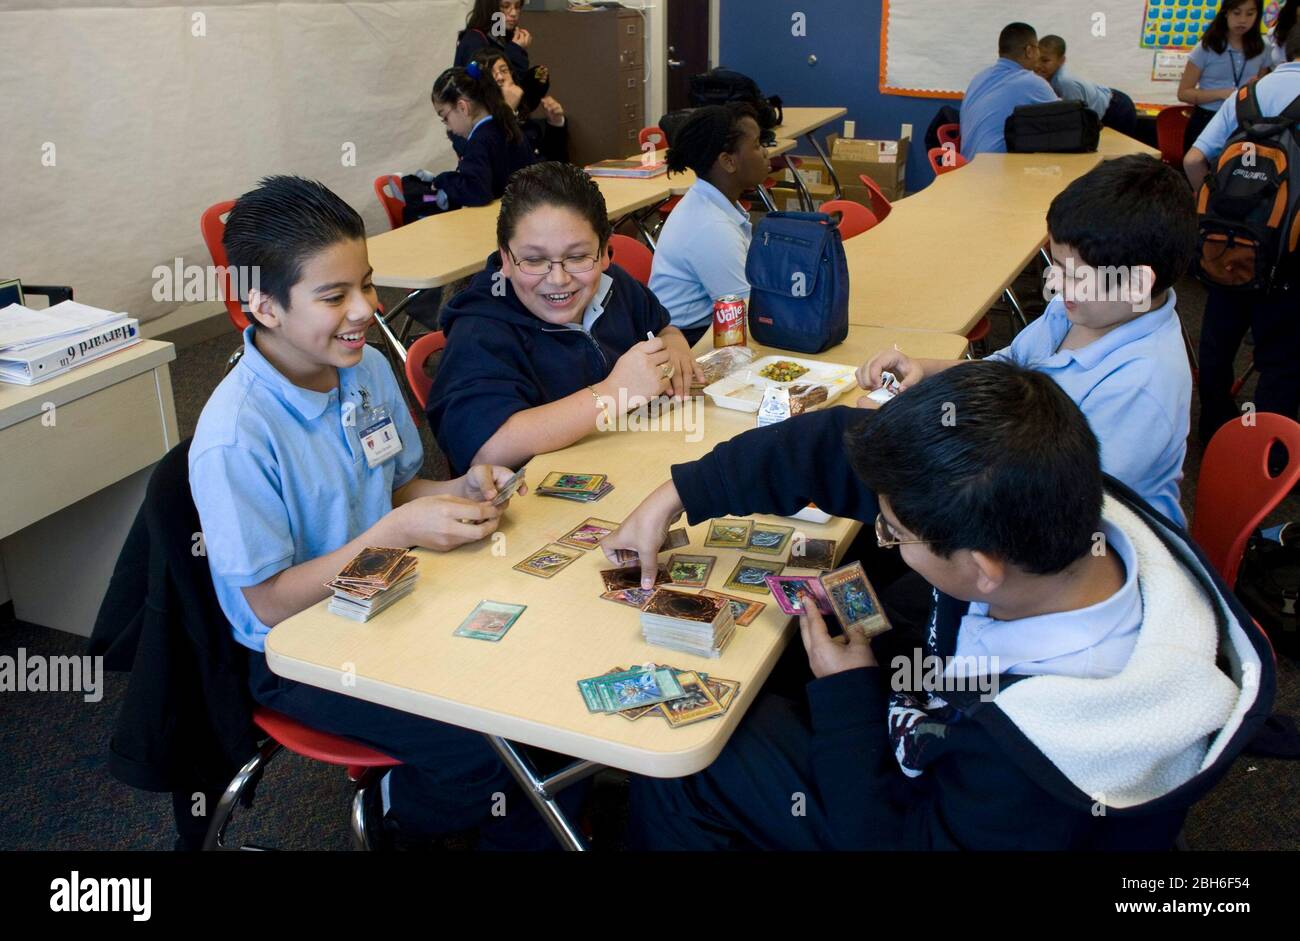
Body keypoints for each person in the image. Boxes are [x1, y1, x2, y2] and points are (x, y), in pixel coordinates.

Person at [600, 360, 1270, 850]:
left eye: (897, 531)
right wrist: (675, 495)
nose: (885, 530)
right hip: (937, 711)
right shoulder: (1049, 505)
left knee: (688, 756)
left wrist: (851, 694)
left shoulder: (1035, 763)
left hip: (918, 811)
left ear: (981, 570)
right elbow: (840, 446)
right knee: (785, 662)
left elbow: (895, 840)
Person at [189, 175, 570, 848]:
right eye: (335, 295)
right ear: (264, 306)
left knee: (537, 693)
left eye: (366, 283)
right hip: (298, 650)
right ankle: (400, 817)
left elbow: (392, 489)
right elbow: (272, 602)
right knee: (480, 751)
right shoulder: (236, 436)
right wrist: (391, 534)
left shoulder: (361, 369)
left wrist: (458, 489)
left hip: (390, 593)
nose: (366, 308)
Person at [861, 155, 1196, 526]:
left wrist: (905, 438)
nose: (1056, 283)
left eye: (1075, 276)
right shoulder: (1078, 309)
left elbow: (1063, 507)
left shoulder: (1141, 387)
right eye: (1057, 267)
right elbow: (1004, 372)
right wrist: (923, 370)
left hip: (1082, 536)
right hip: (1021, 488)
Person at [425, 161, 701, 474]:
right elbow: (486, 448)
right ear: (505, 259)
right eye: (533, 259)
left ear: (605, 253)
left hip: (627, 463)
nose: (558, 279)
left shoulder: (613, 285)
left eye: (578, 256)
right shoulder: (480, 329)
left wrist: (674, 345)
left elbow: (662, 327)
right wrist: (612, 393)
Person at [1184, 25, 1300, 446]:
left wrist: (1214, 212)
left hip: (1230, 244)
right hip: (1289, 255)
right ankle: (1268, 454)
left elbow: (1194, 159)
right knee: (1282, 359)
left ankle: (1212, 431)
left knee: (1218, 340)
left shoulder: (1249, 95)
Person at [647, 103, 771, 344]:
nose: (765, 152)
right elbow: (746, 314)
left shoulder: (712, 204)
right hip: (687, 341)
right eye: (756, 145)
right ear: (728, 162)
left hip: (705, 325)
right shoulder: (711, 227)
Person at [406, 64, 536, 220]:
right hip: (527, 215)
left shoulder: (478, 141)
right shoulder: (508, 127)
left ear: (462, 107)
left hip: (501, 225)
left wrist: (444, 179)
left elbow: (477, 192)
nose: (448, 127)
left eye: (445, 118)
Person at [1177, 0, 1267, 155]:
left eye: (1250, 13)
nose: (1242, 20)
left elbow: (1261, 88)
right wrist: (1222, 93)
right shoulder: (1206, 48)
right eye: (1236, 12)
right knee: (1199, 173)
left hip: (1244, 122)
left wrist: (1255, 88)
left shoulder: (1263, 49)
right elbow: (1183, 93)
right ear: (1226, 13)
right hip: (1207, 118)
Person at [959, 22, 1058, 158]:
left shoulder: (979, 77)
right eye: (1038, 48)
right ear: (1029, 51)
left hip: (965, 169)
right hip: (996, 174)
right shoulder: (1031, 83)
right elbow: (1065, 120)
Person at [474, 46, 568, 162]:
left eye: (504, 71)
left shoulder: (523, 115)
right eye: (491, 73)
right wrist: (508, 110)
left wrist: (555, 123)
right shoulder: (480, 124)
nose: (500, 77)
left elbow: (554, 161)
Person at [1035, 34, 1138, 137]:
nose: (1038, 65)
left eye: (1045, 61)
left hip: (1117, 109)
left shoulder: (1065, 83)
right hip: (1107, 102)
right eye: (1037, 59)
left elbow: (1074, 120)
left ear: (1061, 61)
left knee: (1117, 149)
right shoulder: (1045, 77)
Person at [454, 0, 531, 84]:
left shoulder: (500, 36)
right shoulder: (474, 41)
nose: (514, 13)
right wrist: (516, 50)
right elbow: (494, 86)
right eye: (505, 6)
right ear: (490, 7)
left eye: (517, 6)